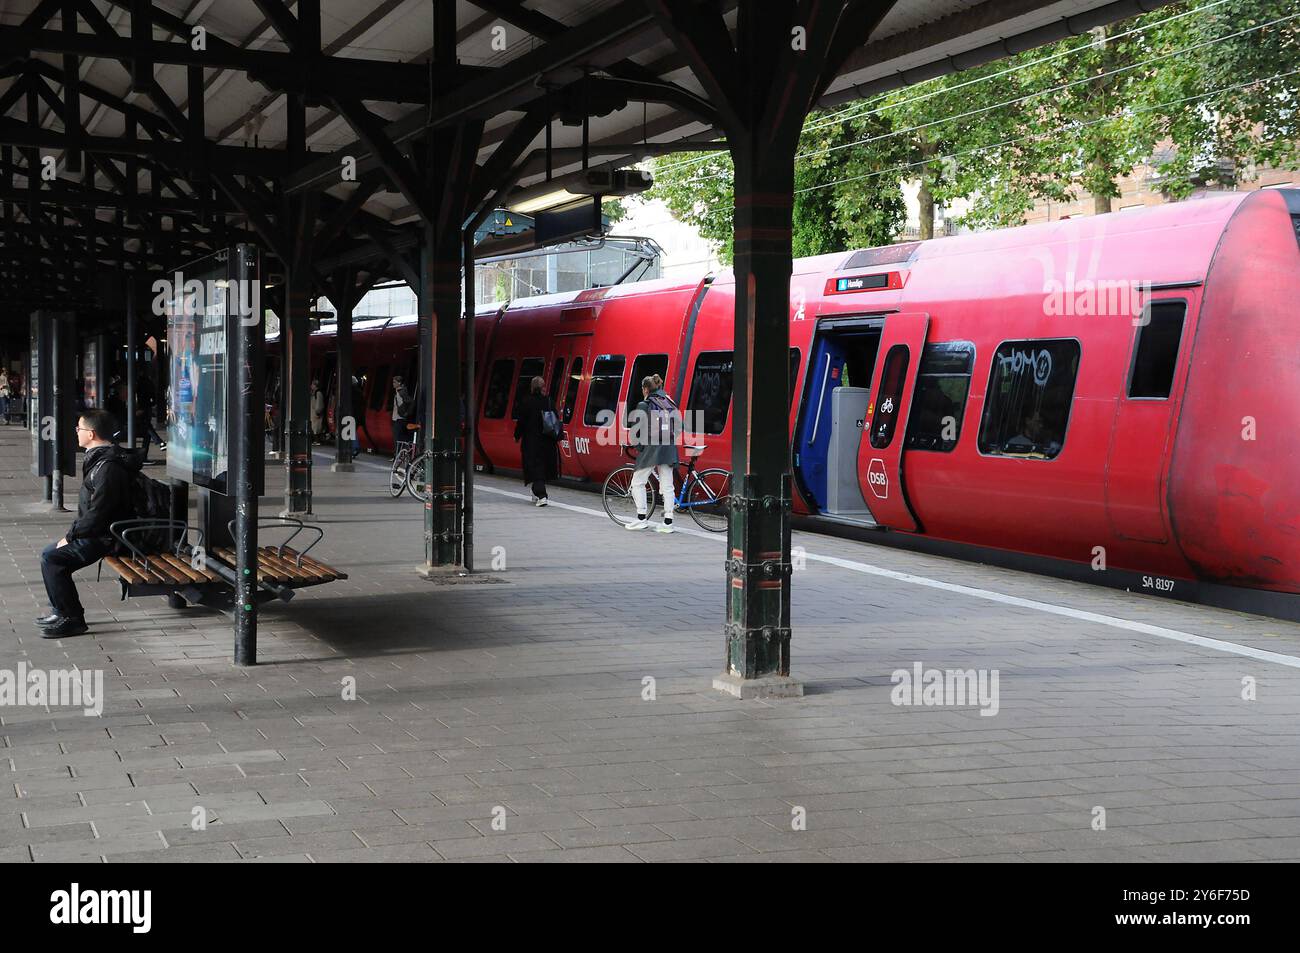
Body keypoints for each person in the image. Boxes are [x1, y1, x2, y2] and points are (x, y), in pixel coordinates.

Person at [36, 408, 137, 638]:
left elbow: (100, 511)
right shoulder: (101, 460)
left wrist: (72, 536)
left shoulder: (108, 466)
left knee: (52, 558)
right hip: (100, 531)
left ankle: (72, 619)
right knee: (50, 555)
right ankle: (62, 610)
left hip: (107, 536)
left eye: (79, 428)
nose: (76, 432)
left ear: (91, 434)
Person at [625, 374, 679, 533]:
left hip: (651, 448)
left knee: (638, 482)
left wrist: (640, 448)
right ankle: (668, 523)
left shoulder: (644, 404)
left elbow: (635, 433)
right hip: (668, 448)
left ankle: (641, 519)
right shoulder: (670, 402)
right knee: (667, 485)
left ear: (646, 389)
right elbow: (678, 427)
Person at [513, 376, 561, 506]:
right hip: (548, 441)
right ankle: (536, 492)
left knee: (535, 467)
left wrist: (517, 435)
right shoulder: (549, 401)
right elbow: (555, 420)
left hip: (532, 442)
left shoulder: (527, 402)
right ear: (543, 387)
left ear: (532, 388)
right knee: (541, 468)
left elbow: (521, 422)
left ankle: (541, 495)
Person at [391, 375, 413, 453]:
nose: (393, 384)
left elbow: (409, 402)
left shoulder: (401, 392)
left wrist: (406, 413)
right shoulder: (401, 391)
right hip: (399, 418)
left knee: (397, 439)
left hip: (399, 418)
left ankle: (397, 455)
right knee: (400, 438)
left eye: (395, 382)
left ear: (399, 383)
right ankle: (399, 455)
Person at [310, 379, 325, 443]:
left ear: (315, 385)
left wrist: (317, 412)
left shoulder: (318, 393)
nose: (311, 386)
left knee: (316, 428)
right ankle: (316, 440)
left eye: (312, 384)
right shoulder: (314, 393)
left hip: (316, 414)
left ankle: (317, 440)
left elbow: (319, 403)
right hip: (313, 413)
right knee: (314, 427)